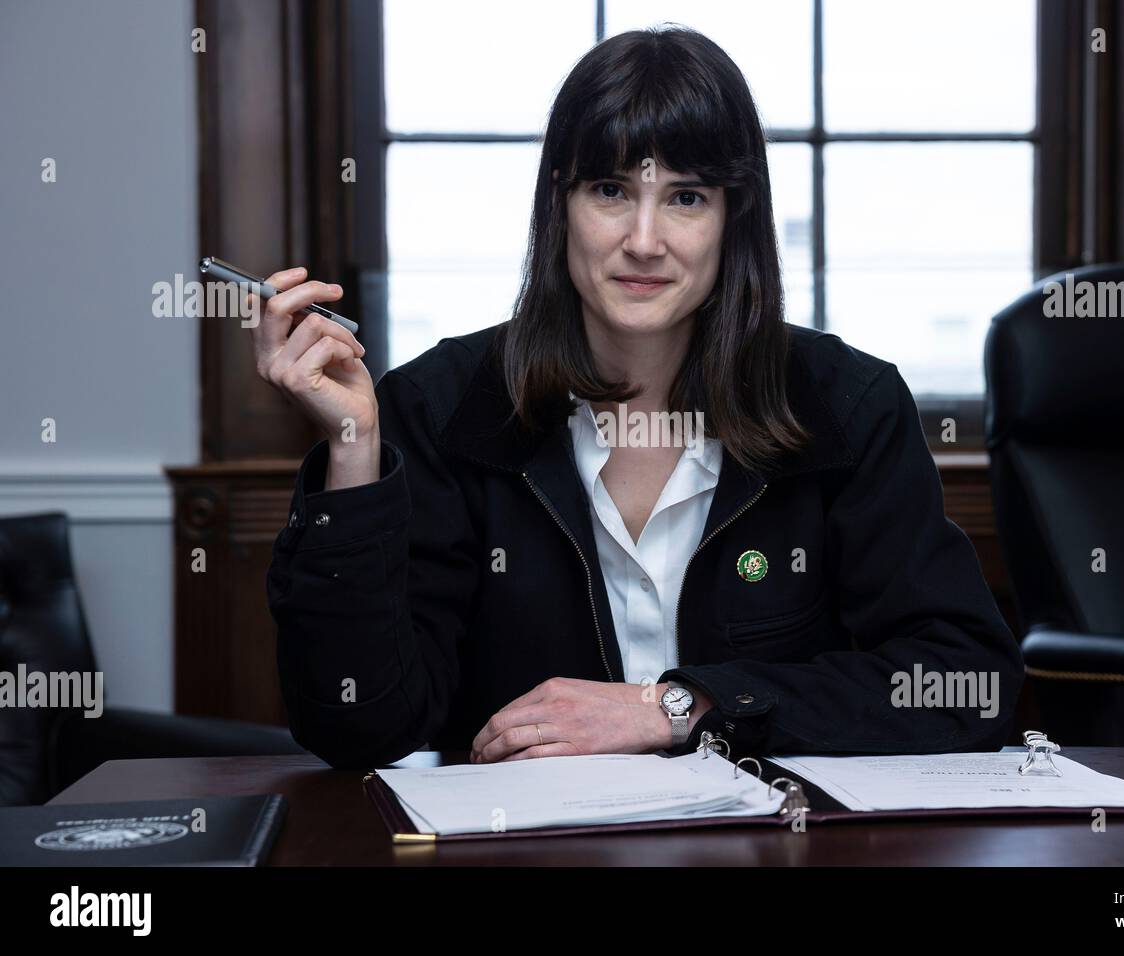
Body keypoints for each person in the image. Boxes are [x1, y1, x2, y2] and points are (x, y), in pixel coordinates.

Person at [255, 26, 1023, 770]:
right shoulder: (437, 407)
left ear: (733, 217)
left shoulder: (847, 405)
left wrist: (674, 708)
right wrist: (354, 451)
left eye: (687, 197)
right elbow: (357, 728)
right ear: (561, 204)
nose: (646, 240)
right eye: (612, 190)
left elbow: (968, 687)